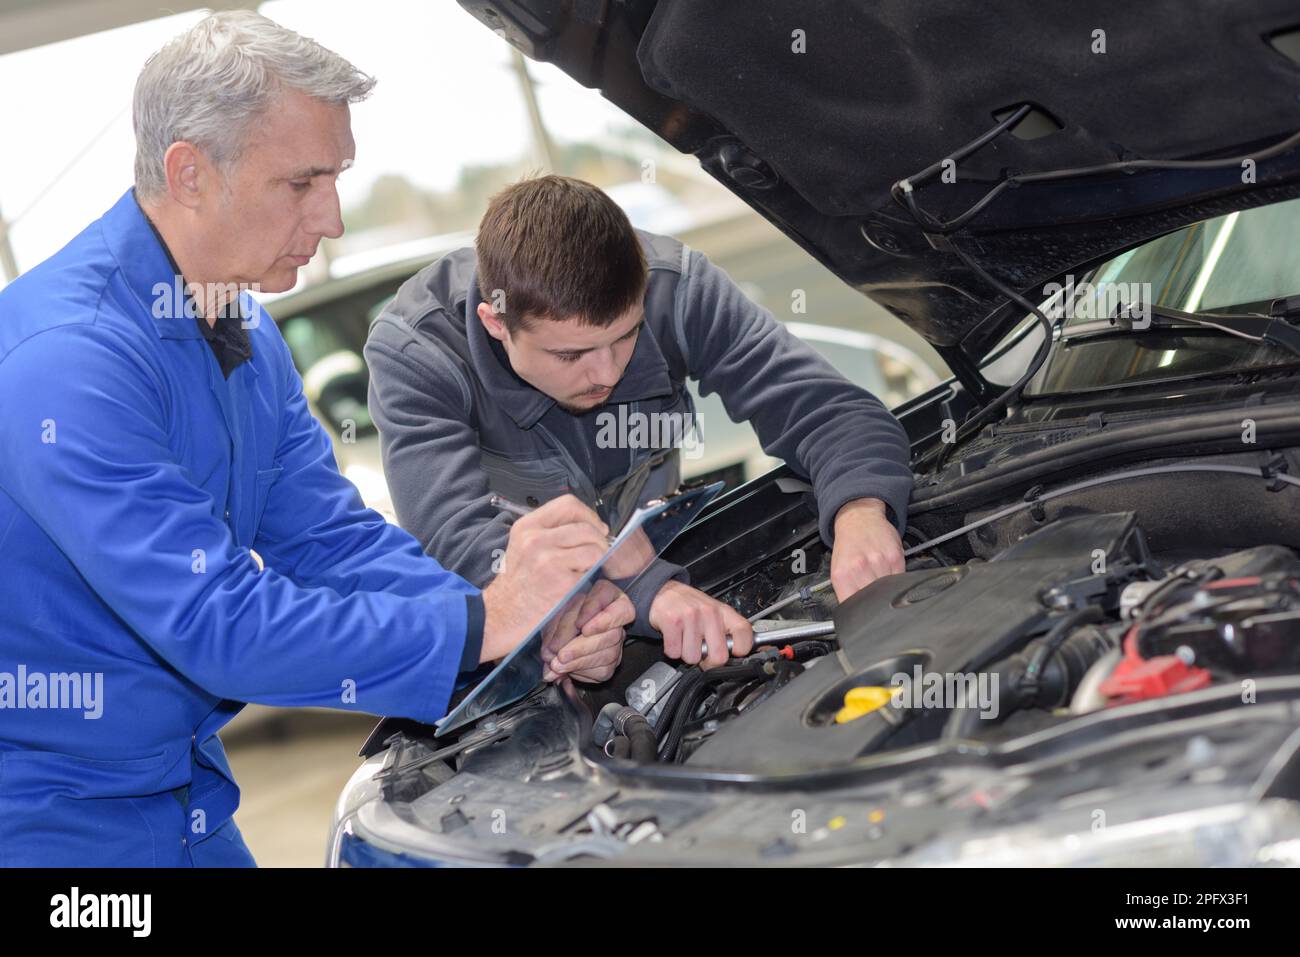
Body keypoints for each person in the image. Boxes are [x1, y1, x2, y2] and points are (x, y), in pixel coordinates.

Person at [0, 13, 629, 868]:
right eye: (302, 183)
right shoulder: (65, 361)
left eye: (336, 177)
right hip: (43, 817)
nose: (331, 217)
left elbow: (330, 538)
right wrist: (483, 621)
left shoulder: (242, 331)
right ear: (190, 172)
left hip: (181, 792)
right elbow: (215, 620)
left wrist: (517, 630)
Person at [365, 175, 914, 671]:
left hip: (660, 561)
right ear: (495, 323)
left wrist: (861, 510)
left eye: (625, 336)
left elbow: (827, 409)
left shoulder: (678, 288)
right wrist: (644, 592)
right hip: (539, 633)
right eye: (570, 355)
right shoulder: (419, 351)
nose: (605, 373)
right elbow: (455, 539)